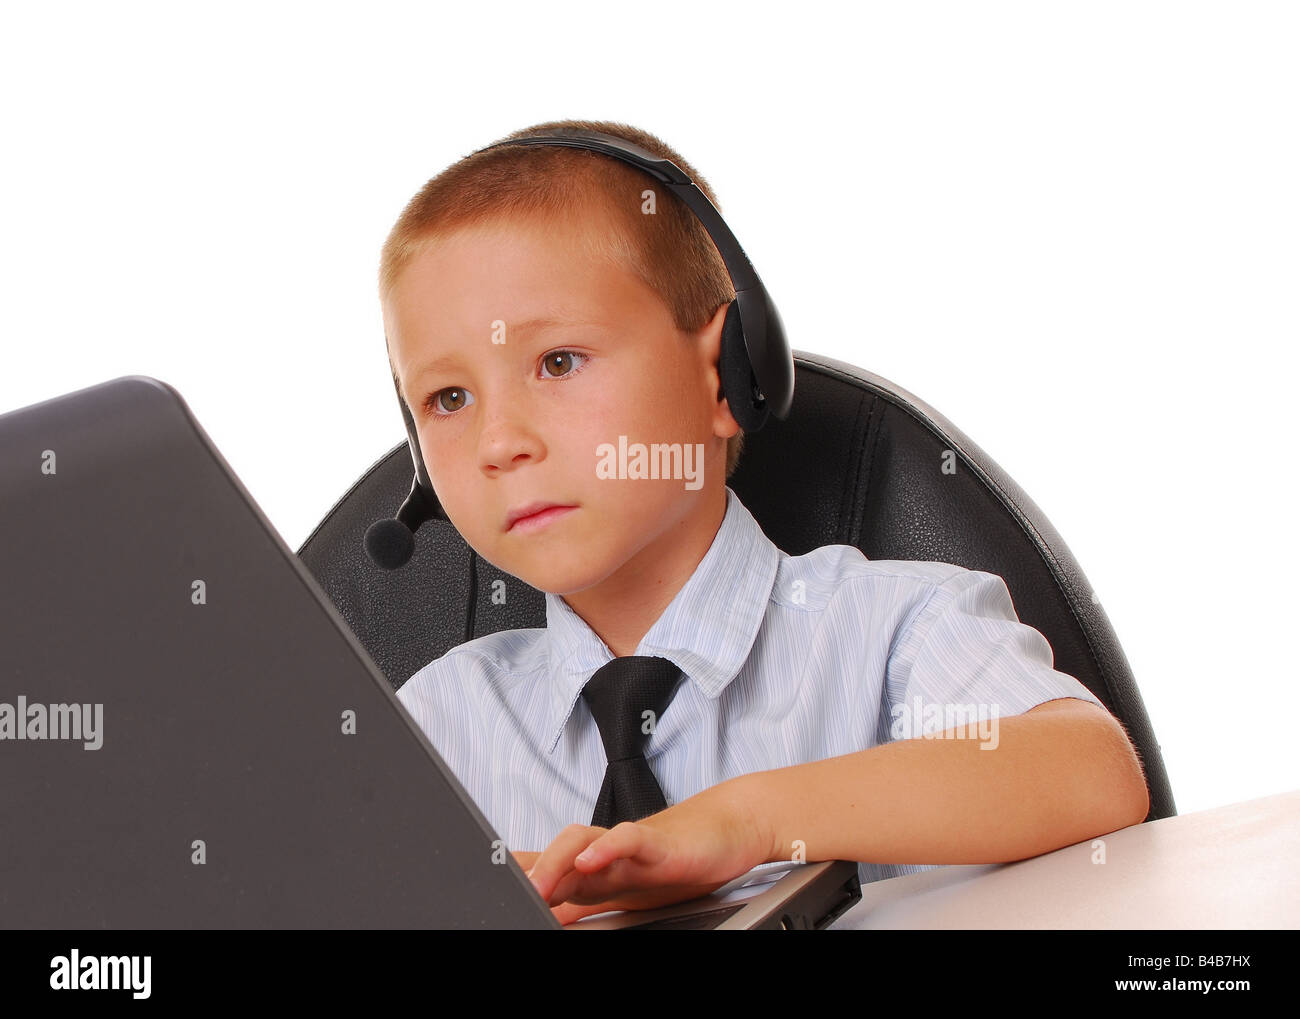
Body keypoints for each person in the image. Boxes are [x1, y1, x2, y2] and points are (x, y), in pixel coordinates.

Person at [382, 118, 1150, 925]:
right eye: (448, 399)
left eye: (559, 362)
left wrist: (743, 824)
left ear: (726, 374)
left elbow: (1091, 771)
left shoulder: (891, 630)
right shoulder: (433, 727)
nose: (499, 441)